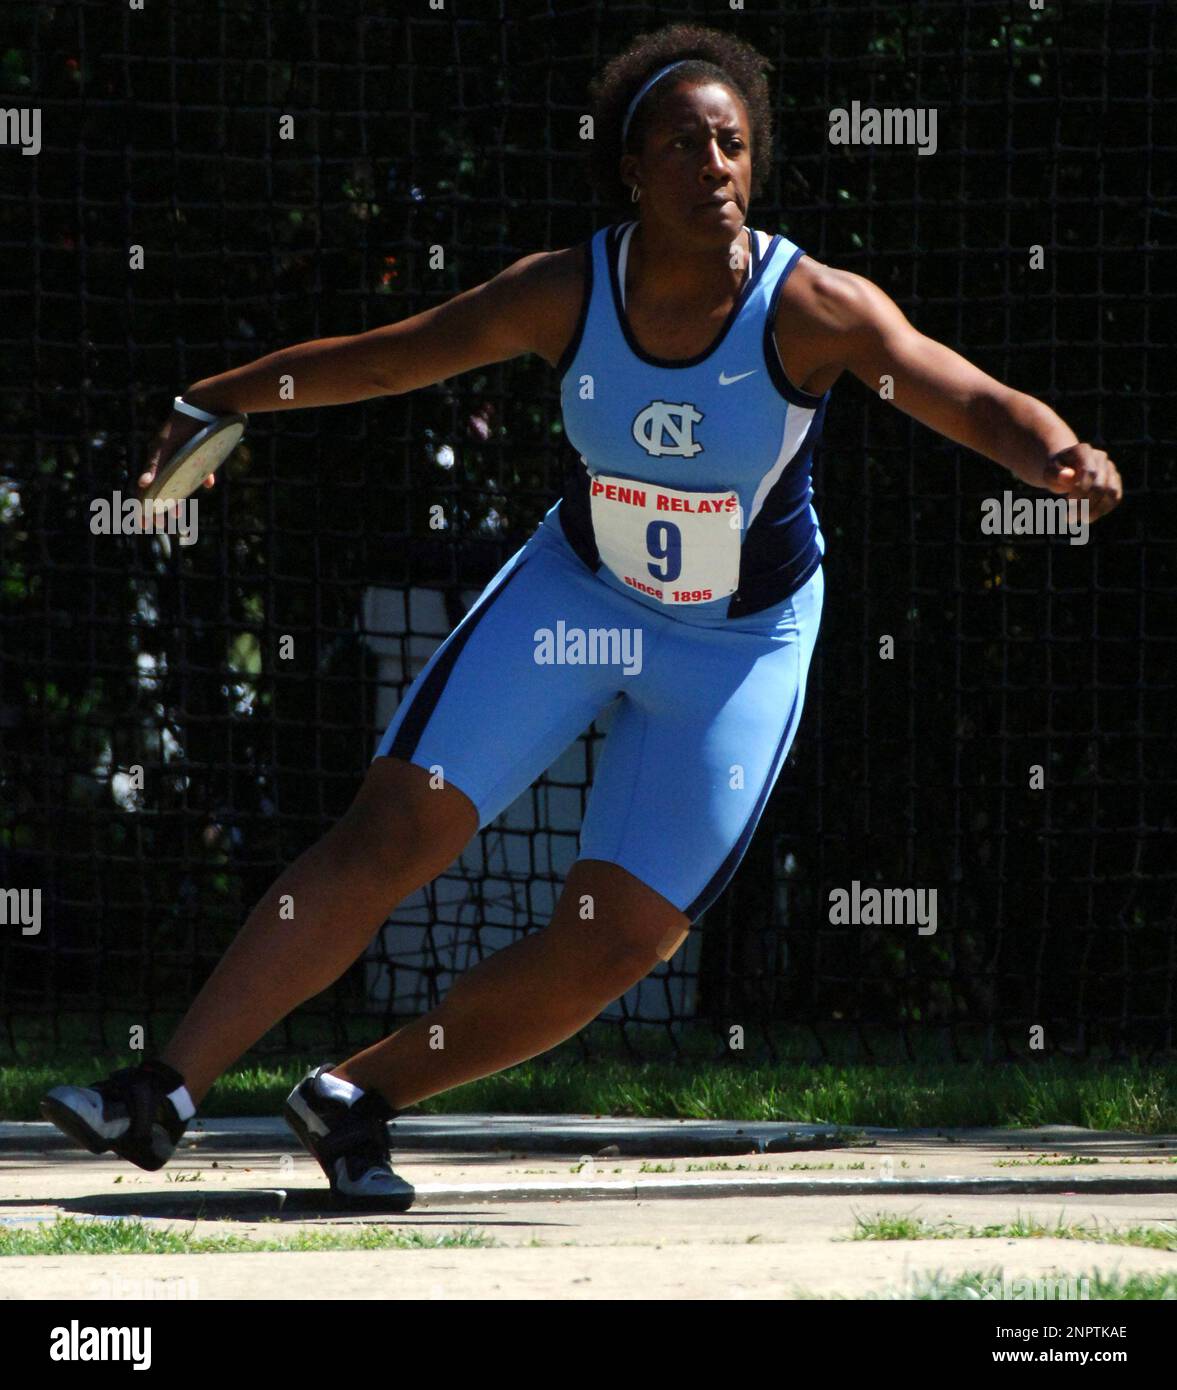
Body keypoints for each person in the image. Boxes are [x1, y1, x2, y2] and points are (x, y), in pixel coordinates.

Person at [42, 23, 1121, 1209]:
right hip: (580, 594)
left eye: (733, 142)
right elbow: (394, 359)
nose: (714, 163)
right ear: (631, 171)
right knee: (395, 827)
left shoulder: (814, 306)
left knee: (614, 939)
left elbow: (960, 390)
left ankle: (358, 1095)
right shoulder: (567, 289)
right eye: (683, 142)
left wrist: (1055, 451)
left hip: (739, 641)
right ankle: (164, 1087)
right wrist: (221, 395)